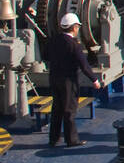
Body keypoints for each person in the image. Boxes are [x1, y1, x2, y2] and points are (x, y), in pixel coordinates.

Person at [44, 12, 102, 147]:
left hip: (54, 79)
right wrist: (94, 80)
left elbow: (45, 55)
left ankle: (54, 138)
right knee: (69, 110)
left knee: (56, 109)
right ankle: (71, 140)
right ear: (75, 27)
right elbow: (84, 65)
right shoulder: (74, 45)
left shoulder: (53, 40)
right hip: (68, 82)